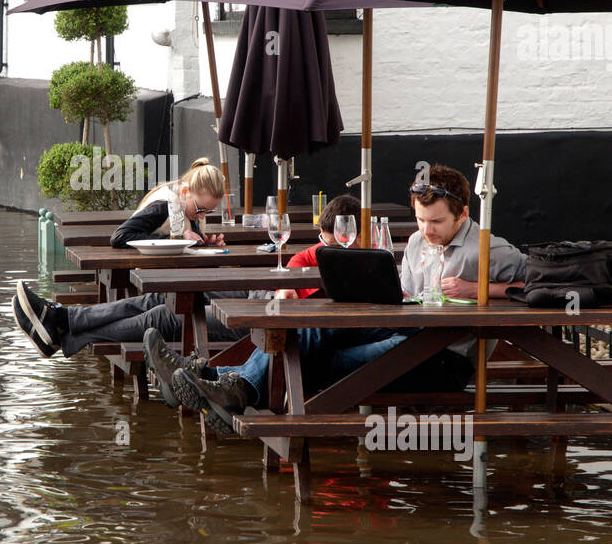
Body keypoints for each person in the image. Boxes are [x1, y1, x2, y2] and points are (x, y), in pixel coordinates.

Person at [170, 164, 526, 432]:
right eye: (420, 220)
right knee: (313, 328)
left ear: (463, 214)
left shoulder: (488, 249)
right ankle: (225, 386)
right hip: (404, 329)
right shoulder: (417, 242)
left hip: (442, 356)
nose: (425, 230)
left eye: (435, 222)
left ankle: (212, 377)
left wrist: (480, 290)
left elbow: (540, 286)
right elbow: (406, 294)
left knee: (325, 361)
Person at [143, 192, 360, 411]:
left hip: (287, 327)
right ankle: (208, 377)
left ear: (358, 236)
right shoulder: (324, 252)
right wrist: (287, 286)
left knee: (165, 314)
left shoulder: (370, 267)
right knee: (163, 302)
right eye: (323, 241)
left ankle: (212, 379)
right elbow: (302, 259)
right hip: (268, 306)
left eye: (335, 245)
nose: (324, 249)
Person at [13, 158, 238, 362]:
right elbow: (119, 237)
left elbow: (183, 242)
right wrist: (170, 238)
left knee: (160, 308)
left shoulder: (184, 206)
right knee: (158, 305)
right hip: (147, 273)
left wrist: (204, 245)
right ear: (186, 191)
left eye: (207, 213)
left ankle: (62, 324)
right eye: (200, 210)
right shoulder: (164, 205)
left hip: (169, 276)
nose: (201, 216)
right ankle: (63, 322)